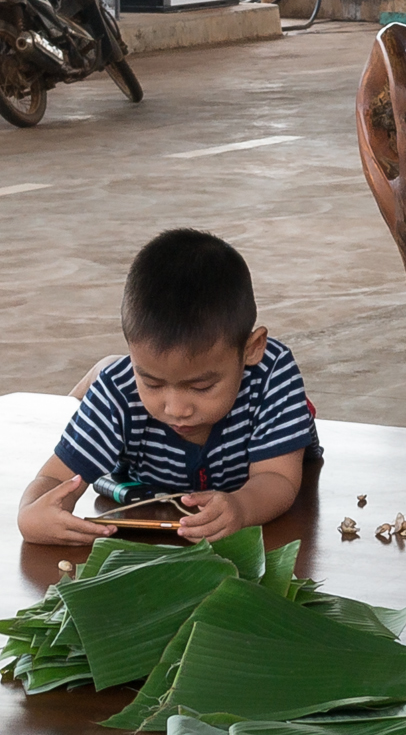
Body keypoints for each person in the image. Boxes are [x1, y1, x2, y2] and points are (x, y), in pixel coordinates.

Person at [19, 227, 317, 546]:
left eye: (201, 386)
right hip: (150, 508)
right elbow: (53, 477)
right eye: (152, 382)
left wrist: (242, 508)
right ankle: (100, 370)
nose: (176, 409)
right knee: (108, 377)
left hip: (249, 506)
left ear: (251, 349)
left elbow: (278, 478)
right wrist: (31, 515)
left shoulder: (270, 372)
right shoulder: (118, 392)